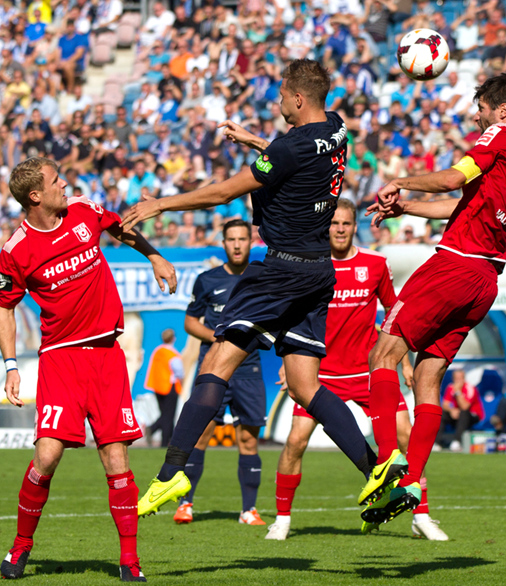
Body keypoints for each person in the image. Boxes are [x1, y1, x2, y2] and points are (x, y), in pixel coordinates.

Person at [121, 59, 379, 518]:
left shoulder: (288, 147)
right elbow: (297, 159)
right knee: (304, 385)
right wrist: (259, 143)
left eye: (282, 95)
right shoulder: (338, 130)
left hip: (281, 270)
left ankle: (170, 474)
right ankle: (377, 472)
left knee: (218, 359)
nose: (277, 101)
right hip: (319, 272)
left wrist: (162, 203)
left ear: (298, 99)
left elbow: (224, 193)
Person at [359, 73, 506, 526]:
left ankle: (386, 462)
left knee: (383, 353)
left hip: (454, 265)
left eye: (480, 108)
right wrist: (407, 208)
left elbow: (451, 179)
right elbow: (463, 203)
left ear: (501, 110)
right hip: (485, 279)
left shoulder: (499, 136)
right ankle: (413, 479)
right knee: (427, 376)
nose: (476, 117)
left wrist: (401, 181)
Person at [0, 156, 177, 582]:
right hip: (61, 358)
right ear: (34, 196)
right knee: (48, 454)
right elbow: (5, 310)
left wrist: (155, 256)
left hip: (107, 356)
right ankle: (21, 547)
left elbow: (120, 228)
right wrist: (11, 366)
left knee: (116, 457)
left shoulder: (82, 211)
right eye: (56, 181)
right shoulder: (16, 252)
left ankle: (130, 562)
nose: (66, 185)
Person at [266, 199, 447, 542]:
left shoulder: (375, 265)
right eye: (334, 223)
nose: (339, 229)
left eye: (346, 224)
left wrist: (404, 360)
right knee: (294, 442)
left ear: (354, 227)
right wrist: (288, 364)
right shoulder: (311, 266)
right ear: (325, 226)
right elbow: (290, 316)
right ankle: (282, 519)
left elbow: (395, 312)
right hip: (320, 375)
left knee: (407, 438)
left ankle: (421, 516)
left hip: (368, 372)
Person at [174, 219, 268, 527]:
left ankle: (248, 510)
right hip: (214, 367)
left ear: (250, 242)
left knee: (249, 441)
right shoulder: (207, 279)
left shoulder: (262, 278)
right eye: (232, 240)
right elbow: (190, 322)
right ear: (224, 244)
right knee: (200, 437)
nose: (238, 244)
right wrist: (219, 338)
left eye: (243, 239)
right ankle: (186, 504)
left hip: (249, 370)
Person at [144, 328, 184, 448]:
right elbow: (180, 372)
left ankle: (154, 430)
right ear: (173, 338)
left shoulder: (157, 351)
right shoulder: (172, 354)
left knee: (165, 414)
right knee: (168, 416)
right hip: (169, 386)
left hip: (158, 387)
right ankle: (164, 441)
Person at [437, 369, 485, 452]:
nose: (458, 381)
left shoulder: (470, 388)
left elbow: (465, 407)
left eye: (460, 378)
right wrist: (451, 410)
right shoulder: (450, 387)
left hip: (472, 416)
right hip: (456, 414)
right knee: (442, 413)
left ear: (464, 378)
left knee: (463, 413)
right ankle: (437, 442)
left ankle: (457, 441)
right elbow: (445, 404)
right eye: (456, 378)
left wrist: (458, 392)